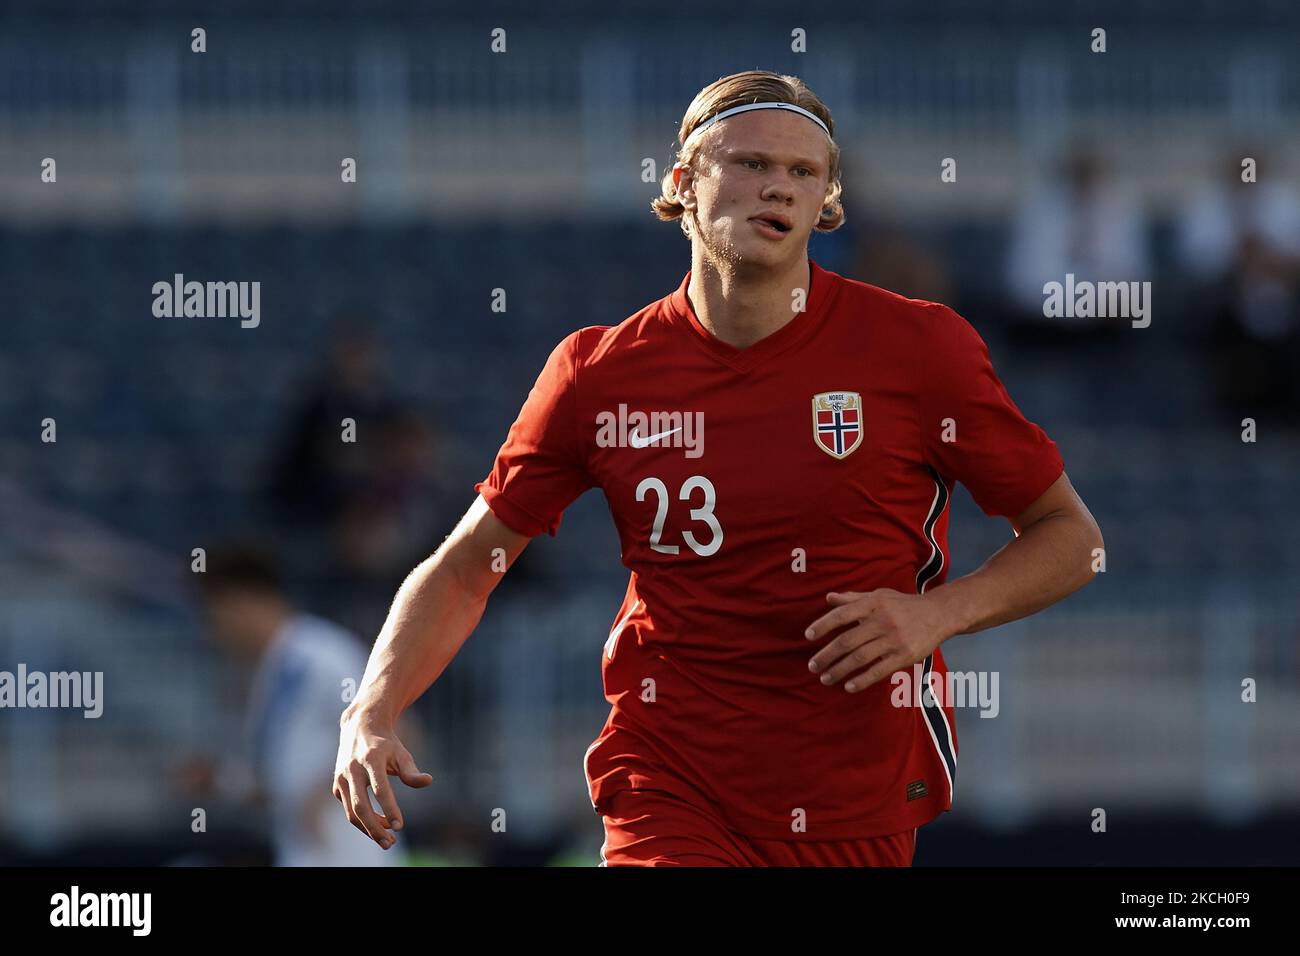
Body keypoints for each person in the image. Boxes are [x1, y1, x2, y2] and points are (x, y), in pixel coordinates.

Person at [333, 70, 1103, 867]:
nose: (779, 187)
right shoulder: (598, 372)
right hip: (668, 774)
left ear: (827, 204)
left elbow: (1072, 539)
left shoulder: (919, 350)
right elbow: (465, 569)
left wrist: (939, 614)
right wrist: (373, 710)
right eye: (751, 163)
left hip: (853, 783)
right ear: (681, 185)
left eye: (804, 173)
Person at [196, 543, 402, 866]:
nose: (215, 631)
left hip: (351, 856)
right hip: (304, 854)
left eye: (216, 615)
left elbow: (396, 727)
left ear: (243, 600)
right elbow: (283, 783)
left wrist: (322, 798)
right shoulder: (270, 673)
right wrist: (223, 782)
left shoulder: (321, 653)